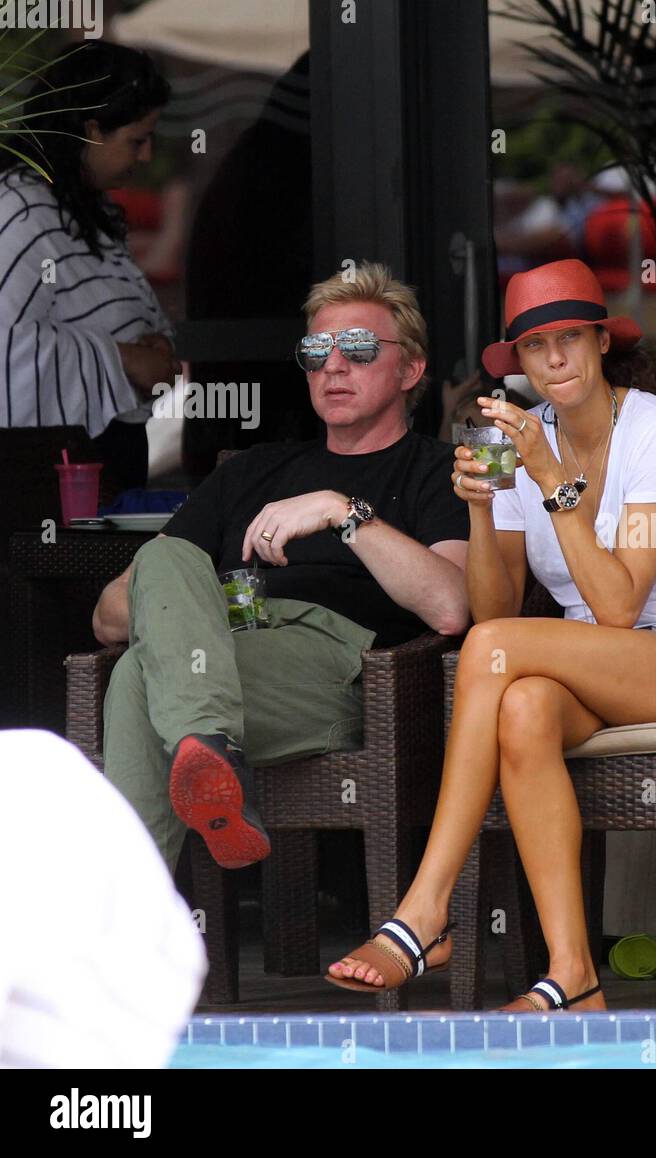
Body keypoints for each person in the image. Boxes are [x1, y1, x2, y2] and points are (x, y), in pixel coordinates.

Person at [326, 258, 656, 1012]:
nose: (554, 359)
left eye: (570, 339)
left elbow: (620, 607)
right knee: (520, 707)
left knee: (494, 656)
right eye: (534, 346)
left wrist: (553, 478)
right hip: (593, 659)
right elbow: (494, 608)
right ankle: (572, 973)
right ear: (517, 360)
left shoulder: (655, 430)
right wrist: (483, 510)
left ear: (599, 343)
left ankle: (424, 910)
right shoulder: (519, 440)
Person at [92, 263, 470, 875]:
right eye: (317, 351)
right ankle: (209, 748)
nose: (334, 365)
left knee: (137, 676)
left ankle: (124, 939)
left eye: (358, 347)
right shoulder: (250, 471)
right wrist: (193, 614)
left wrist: (340, 510)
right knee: (162, 562)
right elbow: (109, 616)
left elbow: (451, 606)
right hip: (223, 648)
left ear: (410, 368)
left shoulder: (440, 470)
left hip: (338, 670)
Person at [0, 42, 179, 489]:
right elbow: (7, 347)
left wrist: (154, 346)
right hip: (49, 469)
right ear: (91, 130)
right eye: (136, 140)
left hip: (105, 448)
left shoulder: (83, 207)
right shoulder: (18, 210)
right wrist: (125, 358)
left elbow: (132, 314)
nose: (146, 157)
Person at [0, 729, 205, 1068]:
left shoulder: (32, 770)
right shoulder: (40, 761)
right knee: (134, 675)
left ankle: (208, 741)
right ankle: (207, 741)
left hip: (89, 1003)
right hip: (148, 963)